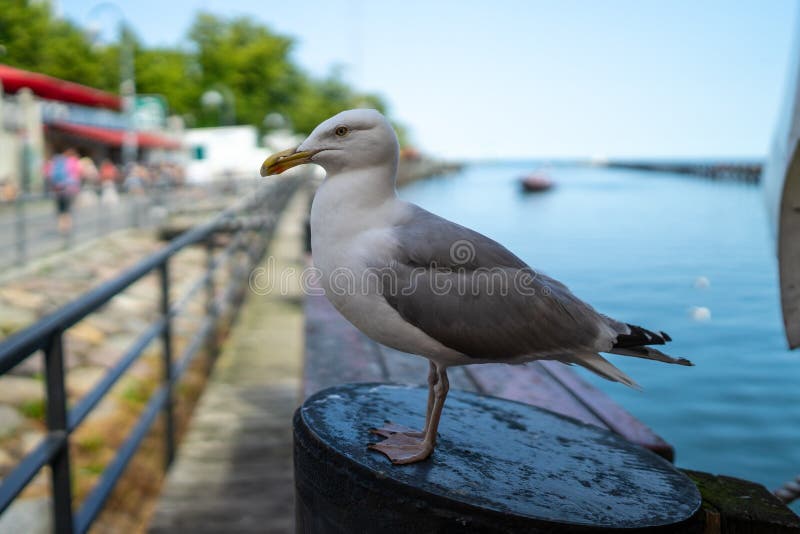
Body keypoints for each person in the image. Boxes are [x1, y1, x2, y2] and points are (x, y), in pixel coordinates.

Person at [45, 148, 81, 235]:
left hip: (58, 189)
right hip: (68, 189)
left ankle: (61, 228)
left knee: (60, 210)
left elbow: (48, 174)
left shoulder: (56, 162)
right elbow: (78, 174)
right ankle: (67, 228)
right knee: (67, 210)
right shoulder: (72, 162)